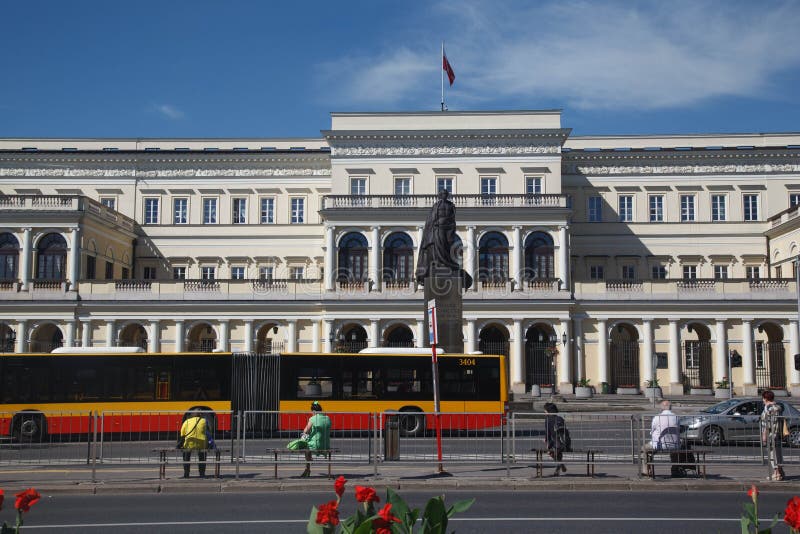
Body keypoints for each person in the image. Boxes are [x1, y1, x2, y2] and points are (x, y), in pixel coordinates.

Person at [415, 189, 459, 282]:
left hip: (448, 228)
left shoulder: (451, 205)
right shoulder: (436, 205)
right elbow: (431, 219)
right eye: (442, 194)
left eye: (445, 194)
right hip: (438, 228)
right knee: (439, 245)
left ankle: (447, 263)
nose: (444, 195)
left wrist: (450, 224)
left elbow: (452, 217)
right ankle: (440, 263)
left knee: (447, 246)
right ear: (440, 195)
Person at [642, 400, 682, 477]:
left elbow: (652, 430)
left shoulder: (657, 417)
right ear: (670, 407)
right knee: (674, 453)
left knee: (644, 448)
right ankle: (675, 471)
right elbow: (679, 428)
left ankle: (646, 471)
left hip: (659, 444)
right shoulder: (676, 417)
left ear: (661, 408)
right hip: (674, 444)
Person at [300, 401, 331, 477]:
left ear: (314, 411)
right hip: (326, 445)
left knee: (306, 447)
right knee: (309, 446)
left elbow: (305, 431)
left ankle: (307, 468)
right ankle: (309, 462)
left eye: (312, 412)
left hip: (316, 445)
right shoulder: (327, 418)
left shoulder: (313, 418)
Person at [761, 390, 785, 481]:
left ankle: (776, 474)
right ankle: (781, 472)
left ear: (766, 399)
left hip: (771, 434)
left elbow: (767, 423)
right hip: (777, 433)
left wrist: (764, 435)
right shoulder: (778, 407)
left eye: (763, 398)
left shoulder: (768, 408)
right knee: (778, 453)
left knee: (772, 454)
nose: (763, 400)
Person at [179, 409, 210, 478]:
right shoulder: (204, 421)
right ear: (200, 415)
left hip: (189, 444)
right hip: (202, 444)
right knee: (202, 456)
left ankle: (186, 473)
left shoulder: (187, 421)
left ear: (192, 415)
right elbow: (208, 433)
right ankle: (202, 473)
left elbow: (182, 435)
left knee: (186, 455)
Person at [543, 402, 569, 476]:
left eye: (545, 410)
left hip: (556, 443)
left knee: (550, 451)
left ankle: (560, 465)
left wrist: (547, 443)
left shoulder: (548, 420)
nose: (544, 412)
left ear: (548, 411)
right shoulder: (560, 418)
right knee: (558, 451)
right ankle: (559, 466)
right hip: (566, 442)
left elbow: (548, 434)